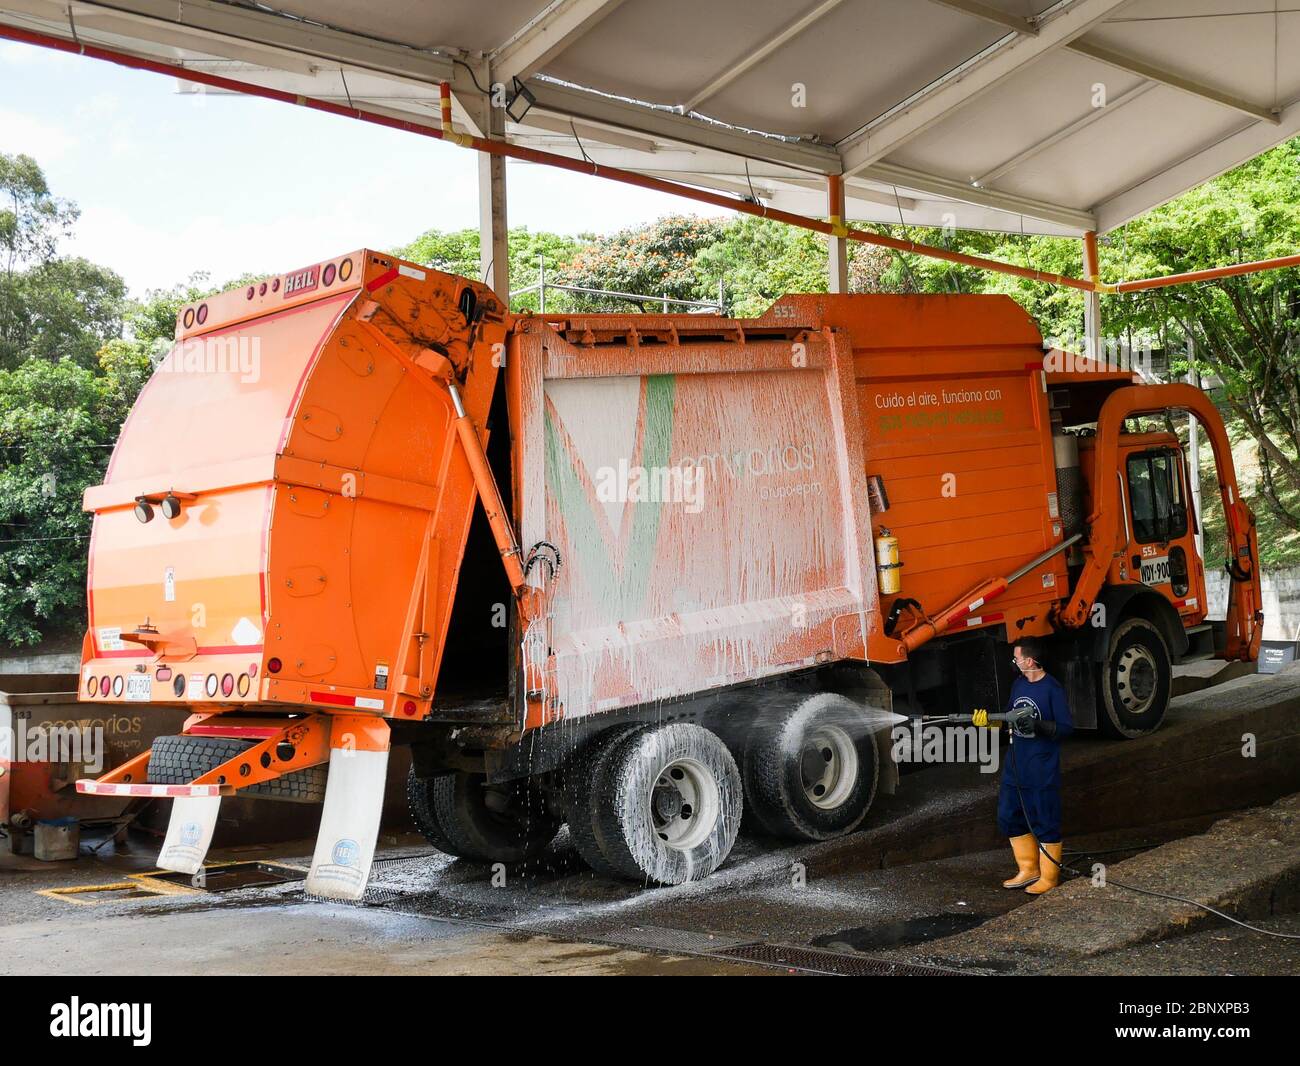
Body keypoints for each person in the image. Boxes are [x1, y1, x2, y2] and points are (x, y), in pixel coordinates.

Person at [991, 637, 1073, 894]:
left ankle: (1049, 877)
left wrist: (1039, 726)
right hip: (1016, 766)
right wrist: (989, 722)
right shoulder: (1019, 684)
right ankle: (1028, 869)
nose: (1014, 663)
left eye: (1016, 658)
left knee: (1044, 819)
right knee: (1008, 815)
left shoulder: (1052, 689)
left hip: (1041, 768)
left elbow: (1066, 729)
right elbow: (1008, 717)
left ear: (1029, 660)